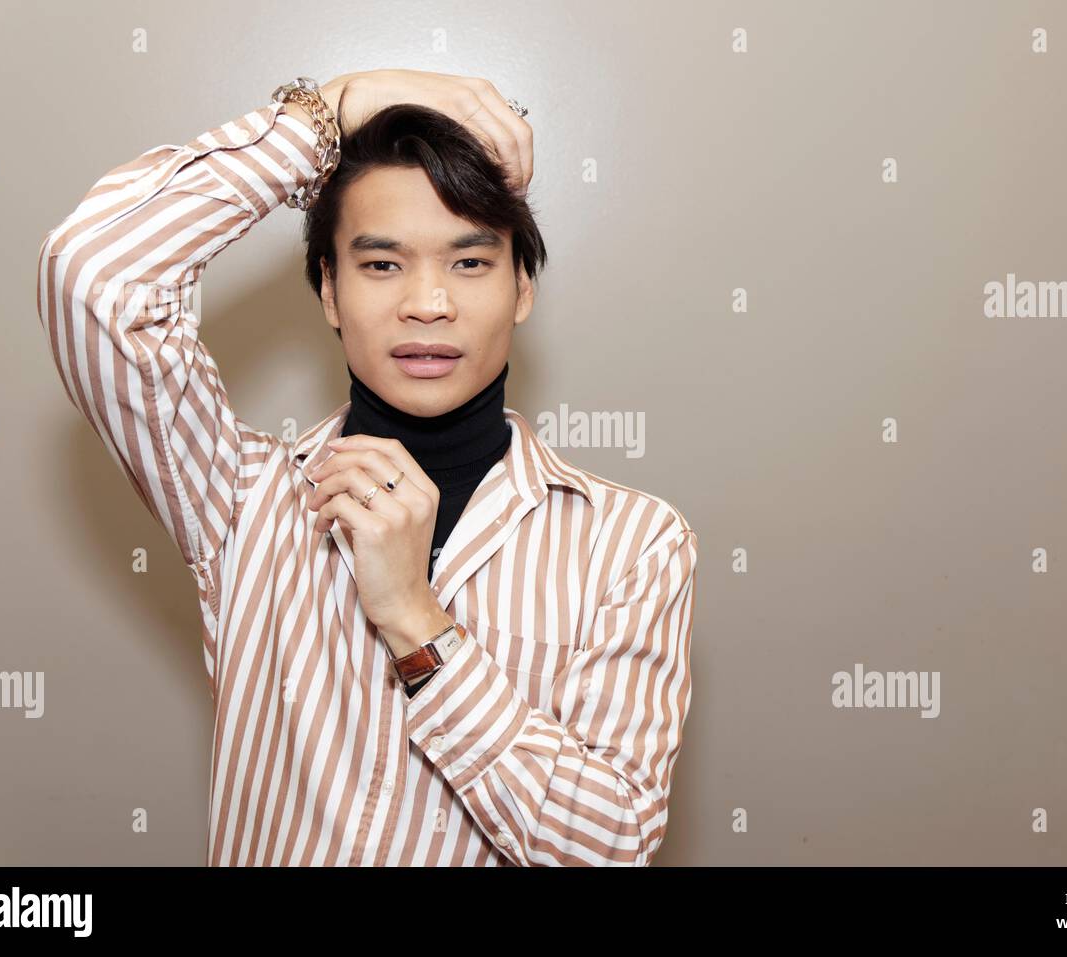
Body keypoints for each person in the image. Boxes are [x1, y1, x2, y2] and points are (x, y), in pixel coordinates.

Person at [35, 68, 698, 866]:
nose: (427, 303)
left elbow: (609, 846)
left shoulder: (635, 544)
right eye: (382, 264)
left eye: (470, 263)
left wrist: (418, 626)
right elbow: (93, 274)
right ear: (328, 290)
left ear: (523, 287)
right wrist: (335, 107)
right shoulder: (240, 499)